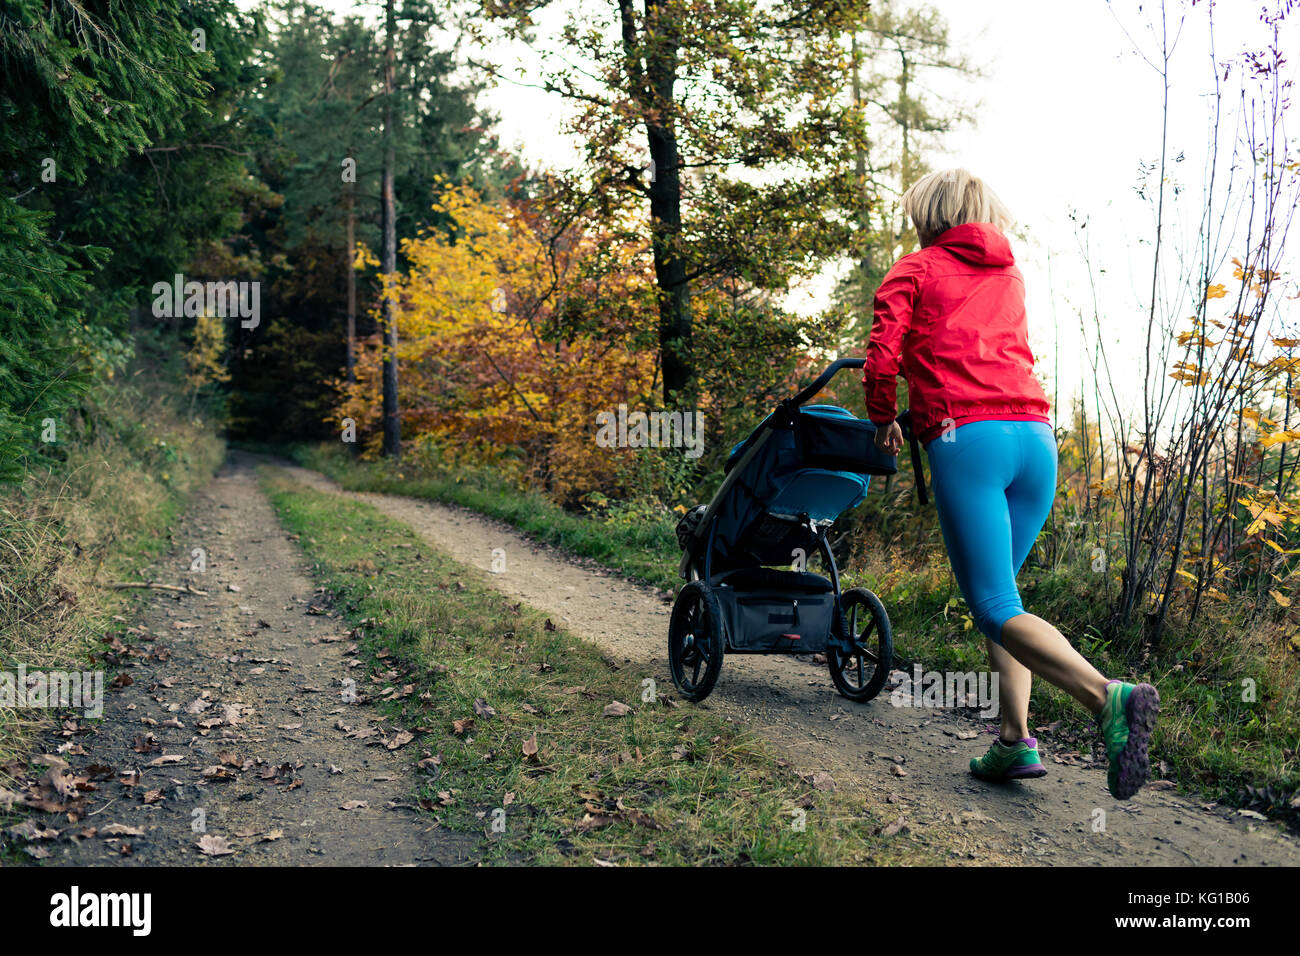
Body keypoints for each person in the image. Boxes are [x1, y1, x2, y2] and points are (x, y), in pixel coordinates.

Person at [863, 168, 1158, 800]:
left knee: (995, 605)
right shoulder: (1009, 274)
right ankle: (1014, 741)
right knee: (1003, 603)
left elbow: (882, 351)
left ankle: (1108, 696)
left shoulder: (914, 269)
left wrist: (885, 417)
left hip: (969, 442)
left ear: (930, 214)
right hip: (1036, 440)